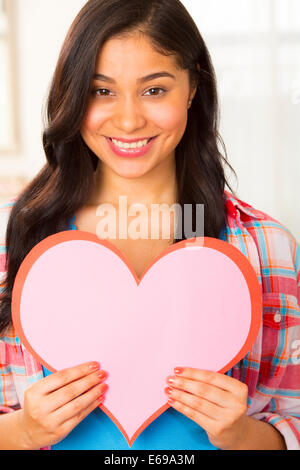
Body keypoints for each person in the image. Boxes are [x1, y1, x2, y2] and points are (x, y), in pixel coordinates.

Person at [0, 0, 299, 450]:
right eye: (101, 91)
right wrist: (22, 432)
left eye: (154, 90)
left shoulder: (266, 247)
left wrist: (243, 437)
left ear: (193, 85)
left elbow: (292, 416)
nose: (127, 120)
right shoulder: (15, 236)